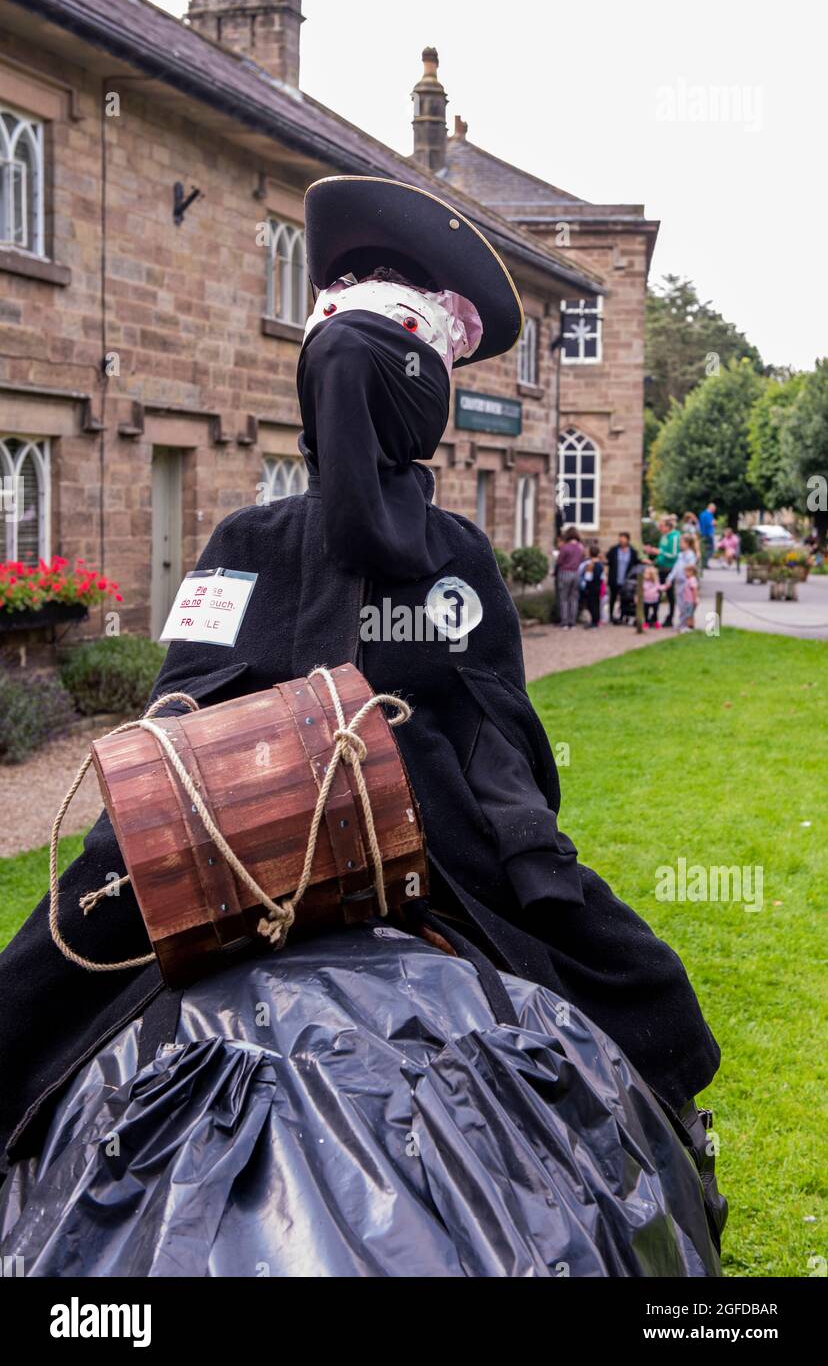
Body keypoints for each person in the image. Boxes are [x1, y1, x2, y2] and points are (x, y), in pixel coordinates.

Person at [0, 177, 724, 1262]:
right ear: (420, 403)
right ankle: (677, 1131)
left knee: (37, 994)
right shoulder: (432, 554)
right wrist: (534, 866)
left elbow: (183, 708)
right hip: (389, 848)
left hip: (309, 837)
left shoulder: (260, 534)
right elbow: (494, 755)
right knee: (650, 1002)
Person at [645, 517, 680, 626]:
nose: (660, 528)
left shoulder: (674, 537)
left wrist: (659, 552)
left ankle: (670, 617)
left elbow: (674, 555)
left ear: (668, 527)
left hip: (669, 568)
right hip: (661, 566)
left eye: (662, 526)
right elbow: (662, 552)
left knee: (669, 594)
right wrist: (654, 557)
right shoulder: (664, 536)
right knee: (657, 592)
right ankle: (654, 616)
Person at [555, 526, 585, 628]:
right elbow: (581, 560)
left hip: (565, 573)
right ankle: (572, 621)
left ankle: (565, 621)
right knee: (574, 598)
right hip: (576, 573)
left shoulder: (565, 547)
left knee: (564, 597)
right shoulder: (580, 548)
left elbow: (559, 561)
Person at [607, 532, 639, 623]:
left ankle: (622, 616)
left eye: (623, 538)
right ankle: (610, 615)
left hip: (626, 581)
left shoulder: (632, 551)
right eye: (620, 538)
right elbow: (608, 560)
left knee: (624, 599)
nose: (621, 540)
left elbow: (636, 563)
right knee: (612, 598)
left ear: (627, 539)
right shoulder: (614, 550)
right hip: (615, 578)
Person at [578, 542, 604, 628]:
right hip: (598, 586)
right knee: (597, 604)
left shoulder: (590, 564)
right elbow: (602, 577)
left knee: (591, 604)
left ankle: (594, 621)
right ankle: (597, 620)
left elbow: (588, 578)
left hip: (591, 587)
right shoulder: (600, 564)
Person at [679, 563, 699, 632]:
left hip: (690, 601)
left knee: (688, 615)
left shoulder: (692, 579)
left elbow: (694, 590)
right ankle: (691, 627)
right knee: (689, 614)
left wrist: (695, 599)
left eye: (686, 572)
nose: (684, 573)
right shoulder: (689, 579)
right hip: (687, 600)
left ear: (691, 572)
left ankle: (689, 627)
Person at [642, 563, 662, 628]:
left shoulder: (656, 581)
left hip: (654, 600)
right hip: (646, 600)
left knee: (655, 612)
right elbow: (642, 588)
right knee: (646, 612)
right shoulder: (644, 582)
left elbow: (659, 587)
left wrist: (666, 586)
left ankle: (655, 622)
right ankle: (646, 622)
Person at [699, 503, 717, 569]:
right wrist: (714, 523)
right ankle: (704, 563)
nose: (714, 511)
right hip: (708, 534)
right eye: (714, 509)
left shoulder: (702, 514)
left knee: (704, 549)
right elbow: (710, 524)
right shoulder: (708, 515)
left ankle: (704, 563)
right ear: (711, 508)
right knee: (710, 549)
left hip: (703, 534)